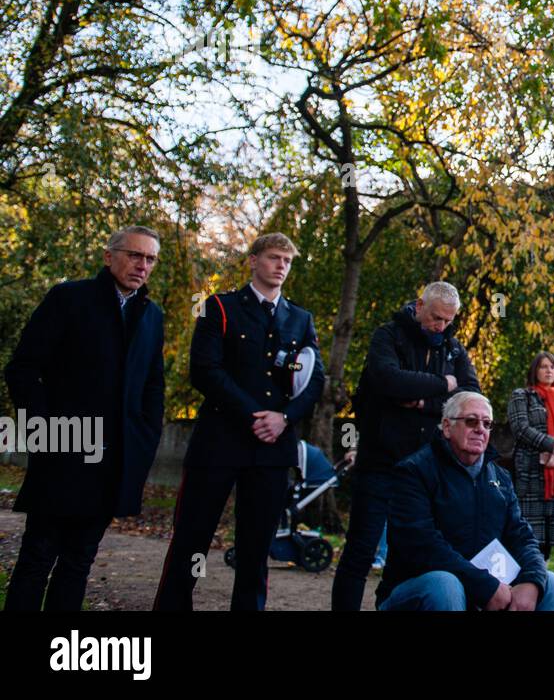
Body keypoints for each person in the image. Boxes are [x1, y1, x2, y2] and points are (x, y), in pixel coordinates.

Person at [154, 233, 325, 611]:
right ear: (253, 261)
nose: (281, 266)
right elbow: (205, 370)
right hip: (219, 443)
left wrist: (284, 418)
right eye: (274, 258)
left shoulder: (300, 318)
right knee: (191, 541)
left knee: (256, 547)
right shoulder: (220, 307)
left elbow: (315, 379)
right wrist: (254, 416)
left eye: (287, 260)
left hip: (272, 449)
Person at [3, 226, 166, 611]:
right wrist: (43, 430)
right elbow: (23, 369)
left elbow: (152, 386)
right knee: (36, 559)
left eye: (150, 259)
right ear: (109, 257)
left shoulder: (151, 315)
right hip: (63, 450)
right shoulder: (69, 299)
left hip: (115, 461)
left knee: (78, 564)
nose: (142, 266)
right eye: (134, 255)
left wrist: (145, 437)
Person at [331, 281, 479, 610]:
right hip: (380, 463)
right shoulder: (388, 336)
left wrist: (420, 401)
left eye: (448, 321)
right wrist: (442, 384)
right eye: (437, 318)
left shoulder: (452, 348)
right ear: (419, 305)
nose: (441, 327)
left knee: (411, 554)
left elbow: (470, 395)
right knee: (360, 552)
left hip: (426, 467)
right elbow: (387, 380)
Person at [377, 391, 554, 611]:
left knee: (553, 585)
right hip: (419, 590)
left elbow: (522, 536)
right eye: (471, 421)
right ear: (447, 427)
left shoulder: (500, 478)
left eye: (487, 424)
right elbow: (421, 545)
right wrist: (484, 586)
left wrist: (532, 581)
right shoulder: (414, 472)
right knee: (445, 584)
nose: (480, 429)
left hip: (485, 590)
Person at [507, 352, 554, 559]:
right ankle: (526, 575)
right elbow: (520, 428)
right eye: (544, 367)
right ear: (534, 370)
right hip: (530, 470)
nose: (549, 371)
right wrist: (550, 445)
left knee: (549, 532)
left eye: (553, 367)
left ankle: (543, 573)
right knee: (528, 530)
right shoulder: (522, 395)